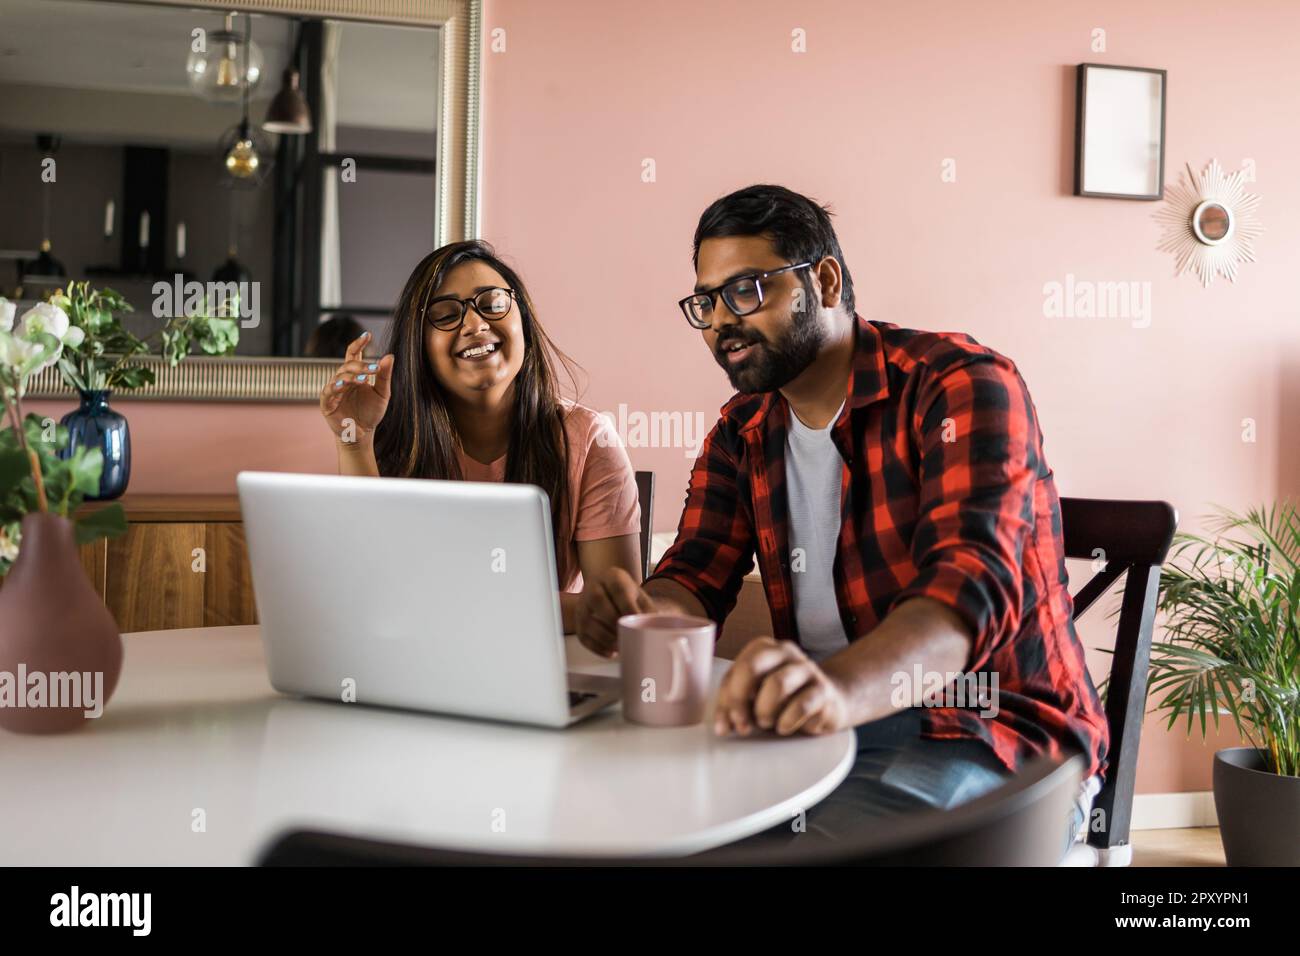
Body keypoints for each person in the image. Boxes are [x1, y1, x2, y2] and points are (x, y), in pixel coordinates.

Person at [575, 184, 1107, 852]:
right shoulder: (742, 432)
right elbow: (693, 576)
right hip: (818, 735)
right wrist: (640, 612)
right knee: (636, 832)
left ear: (823, 280)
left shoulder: (959, 384)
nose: (720, 323)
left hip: (991, 734)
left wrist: (832, 690)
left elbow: (964, 598)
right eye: (706, 302)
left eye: (746, 290)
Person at [320, 240, 643, 631]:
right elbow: (369, 594)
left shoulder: (589, 439)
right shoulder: (391, 440)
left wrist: (449, 600)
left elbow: (617, 616)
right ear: (419, 346)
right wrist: (355, 441)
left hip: (547, 673)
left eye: (491, 304)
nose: (475, 325)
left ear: (522, 319)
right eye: (445, 314)